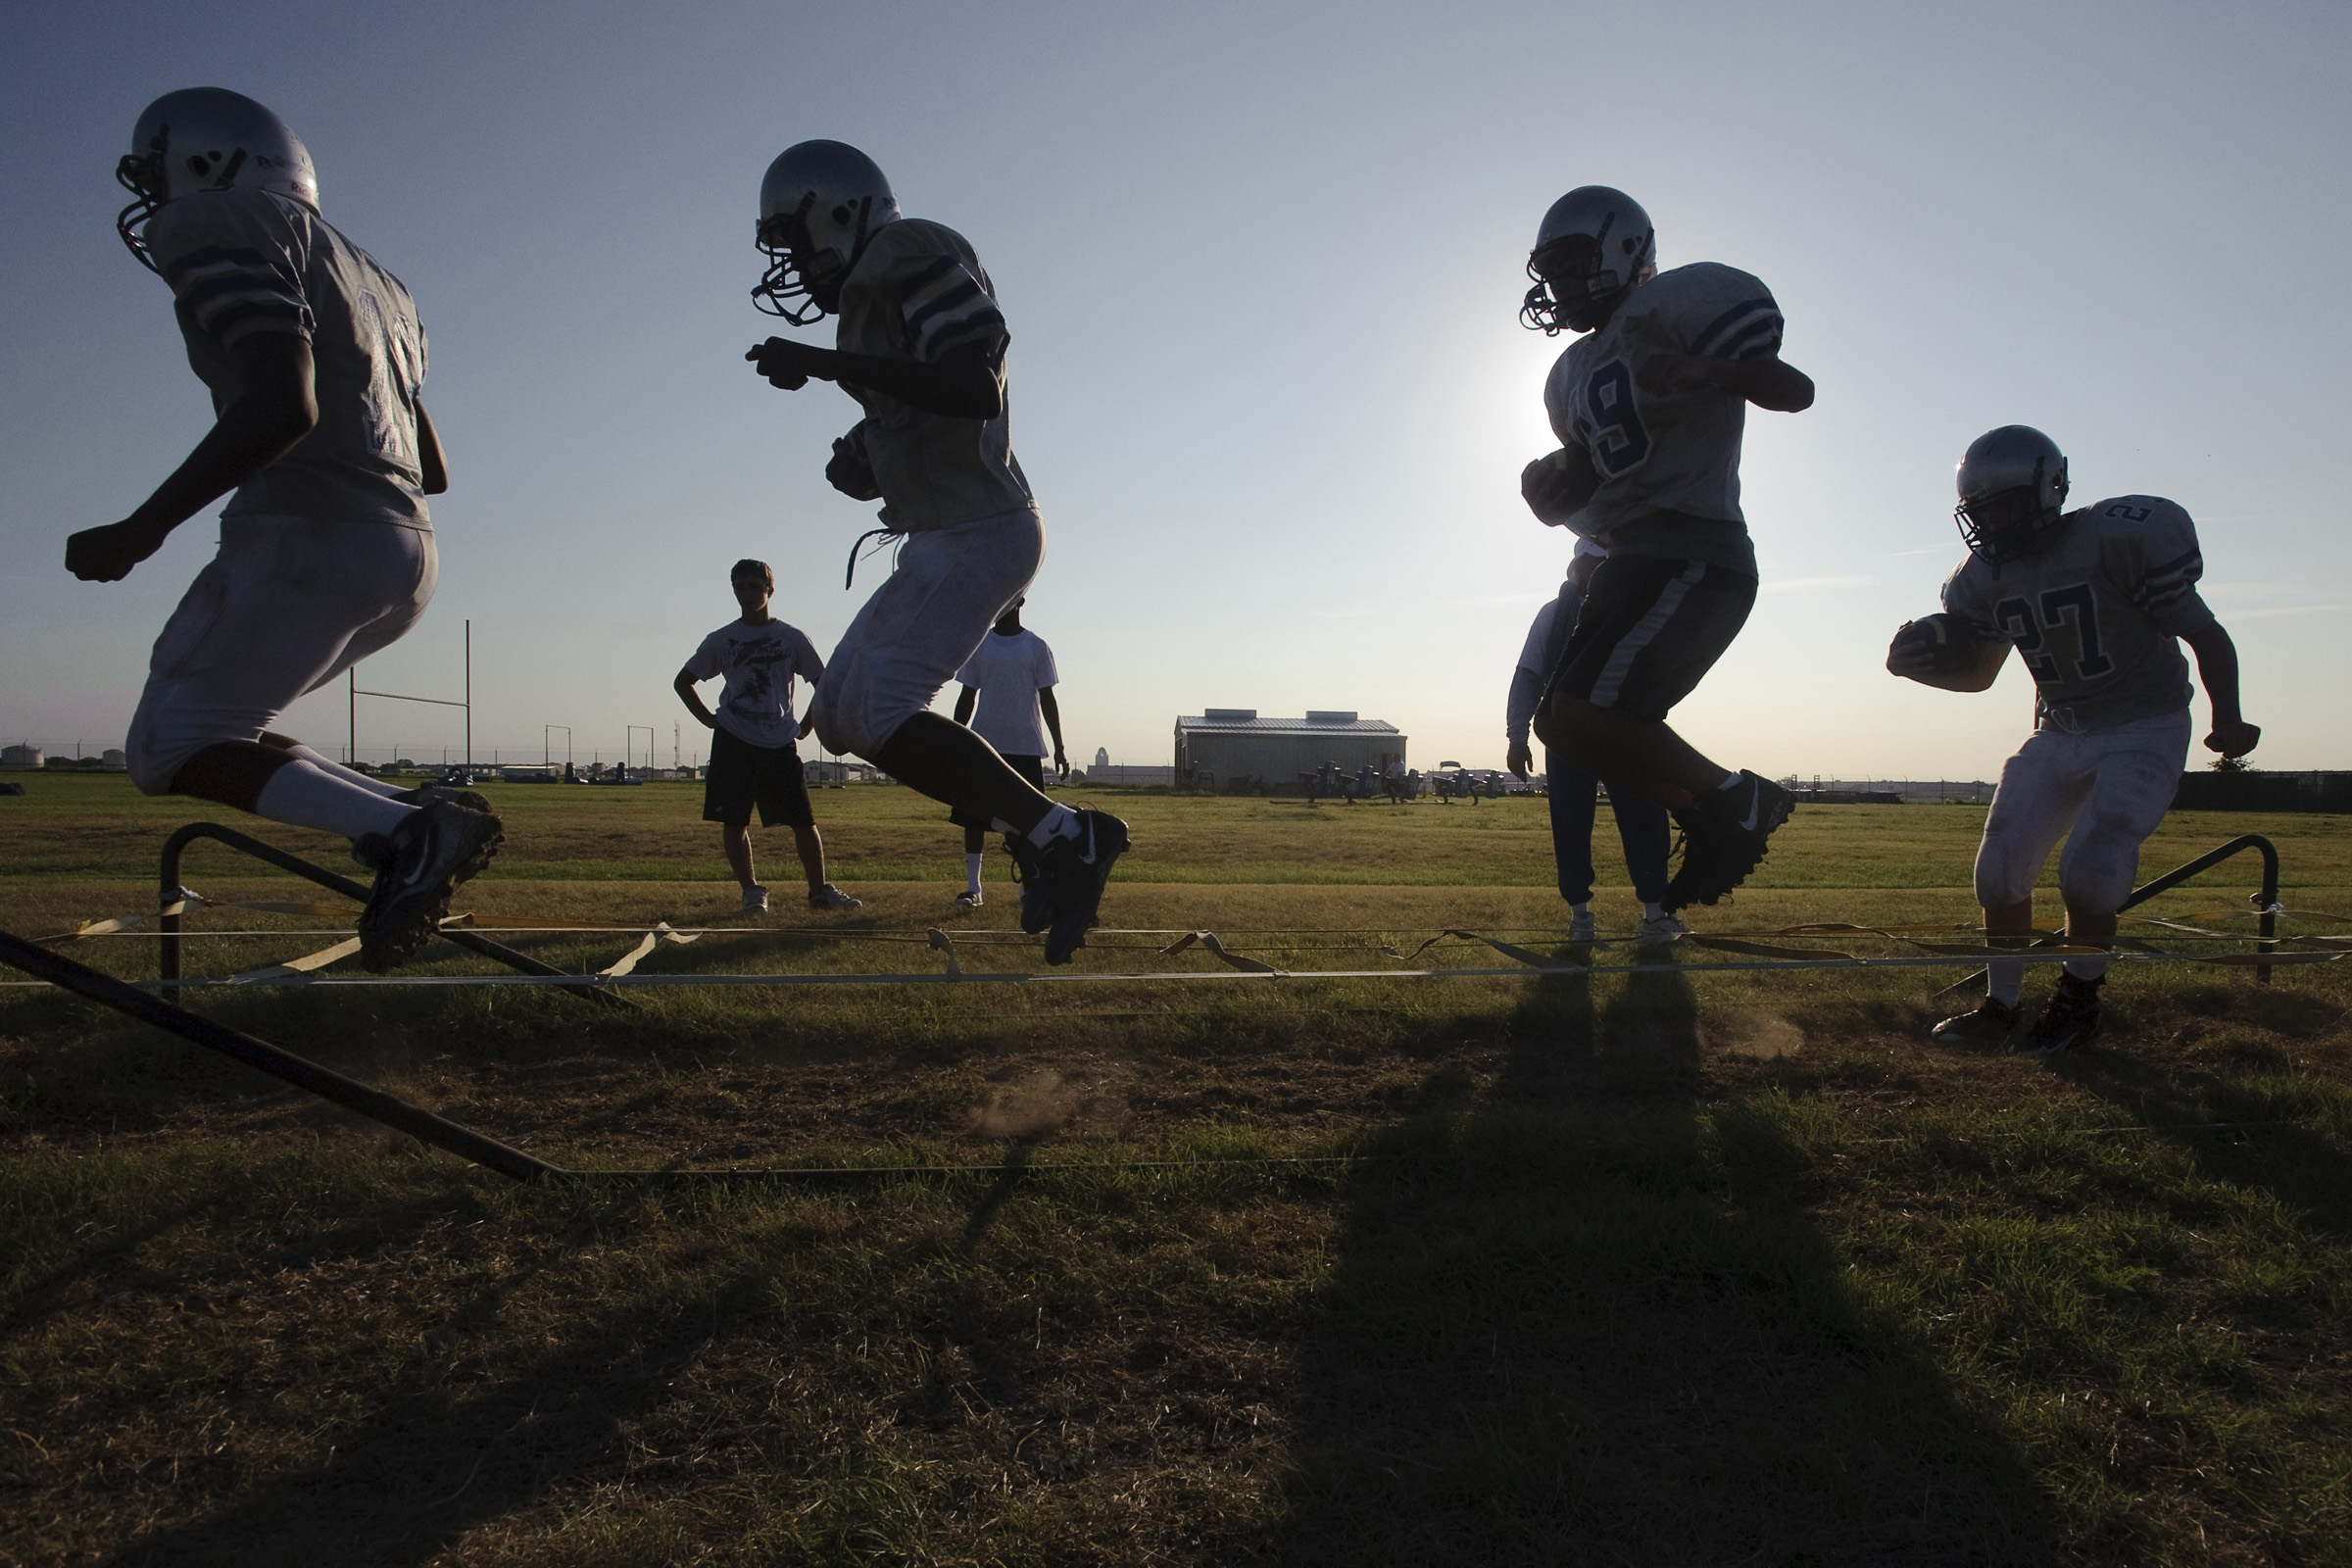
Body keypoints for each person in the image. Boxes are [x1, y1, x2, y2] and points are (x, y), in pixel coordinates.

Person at [64, 88, 499, 974]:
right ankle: (408, 815)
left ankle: (409, 827)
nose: (153, 195)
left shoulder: (224, 223)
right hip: (406, 544)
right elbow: (435, 465)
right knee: (230, 724)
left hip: (309, 529)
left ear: (210, 162)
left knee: (169, 745)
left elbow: (281, 403)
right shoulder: (383, 281)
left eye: (159, 171)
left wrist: (140, 529)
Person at [742, 140, 1126, 963]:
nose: (799, 265)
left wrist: (820, 365)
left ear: (841, 214)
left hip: (981, 529)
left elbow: (973, 384)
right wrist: (868, 450)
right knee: (842, 714)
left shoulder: (909, 252)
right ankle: (1048, 836)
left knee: (880, 711)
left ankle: (1065, 837)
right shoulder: (875, 290)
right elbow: (930, 405)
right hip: (944, 534)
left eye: (799, 239)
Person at [1890, 426, 2260, 1051]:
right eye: (1981, 512)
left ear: (2047, 488)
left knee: (2091, 866)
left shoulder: (2119, 538)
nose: (1993, 523)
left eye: (2004, 505)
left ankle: (2079, 1001)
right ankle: (2001, 1005)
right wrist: (1914, 669)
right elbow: (1979, 676)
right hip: (2061, 728)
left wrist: (2228, 718)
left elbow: (2206, 634)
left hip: (2146, 722)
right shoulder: (1980, 578)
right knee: (2000, 868)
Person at [1518, 185, 1815, 908]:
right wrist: (1555, 491)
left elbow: (1794, 389)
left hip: (1695, 550)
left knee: (1592, 714)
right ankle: (1708, 812)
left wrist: (1709, 371)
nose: (1559, 286)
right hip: (1631, 561)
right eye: (1550, 273)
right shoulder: (1569, 377)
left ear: (1626, 252)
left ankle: (1734, 798)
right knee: (1560, 725)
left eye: (1573, 265)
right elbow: (1600, 484)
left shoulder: (1684, 304)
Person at [1508, 543, 1681, 942]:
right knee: (1569, 823)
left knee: (1645, 817)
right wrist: (1517, 736)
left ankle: (1656, 913)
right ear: (1577, 566)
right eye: (1596, 563)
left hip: (1625, 732)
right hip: (1567, 736)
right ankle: (1581, 917)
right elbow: (1528, 675)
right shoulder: (1553, 615)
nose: (1603, 571)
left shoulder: (1636, 607)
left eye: (1610, 563)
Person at [675, 559, 861, 914]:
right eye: (739, 586)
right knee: (734, 821)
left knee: (803, 822)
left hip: (778, 742)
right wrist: (709, 720)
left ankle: (819, 891)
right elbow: (683, 681)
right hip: (734, 741)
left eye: (753, 586)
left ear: (769, 590)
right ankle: (751, 891)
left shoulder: (790, 638)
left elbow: (823, 685)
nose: (746, 593)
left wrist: (808, 725)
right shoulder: (722, 639)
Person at [947, 595, 1066, 906]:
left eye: (1010, 599)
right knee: (974, 817)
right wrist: (954, 739)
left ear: (1021, 601)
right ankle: (974, 888)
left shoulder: (1036, 647)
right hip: (983, 744)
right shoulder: (980, 644)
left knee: (1029, 821)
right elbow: (967, 696)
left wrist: (1060, 748)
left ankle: (1029, 886)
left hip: (1025, 746)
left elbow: (1048, 699)